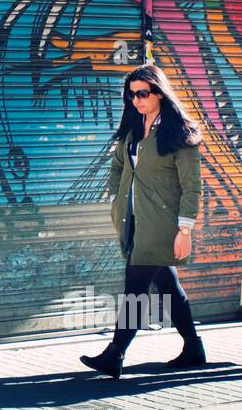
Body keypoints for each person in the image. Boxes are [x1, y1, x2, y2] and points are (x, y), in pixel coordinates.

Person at [81, 64, 205, 379]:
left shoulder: (180, 133)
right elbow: (118, 166)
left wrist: (185, 229)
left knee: (135, 289)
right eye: (132, 94)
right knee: (168, 285)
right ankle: (193, 348)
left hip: (162, 224)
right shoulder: (134, 130)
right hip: (134, 220)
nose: (137, 100)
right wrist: (114, 196)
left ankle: (115, 353)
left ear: (159, 92)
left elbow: (192, 186)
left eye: (143, 93)